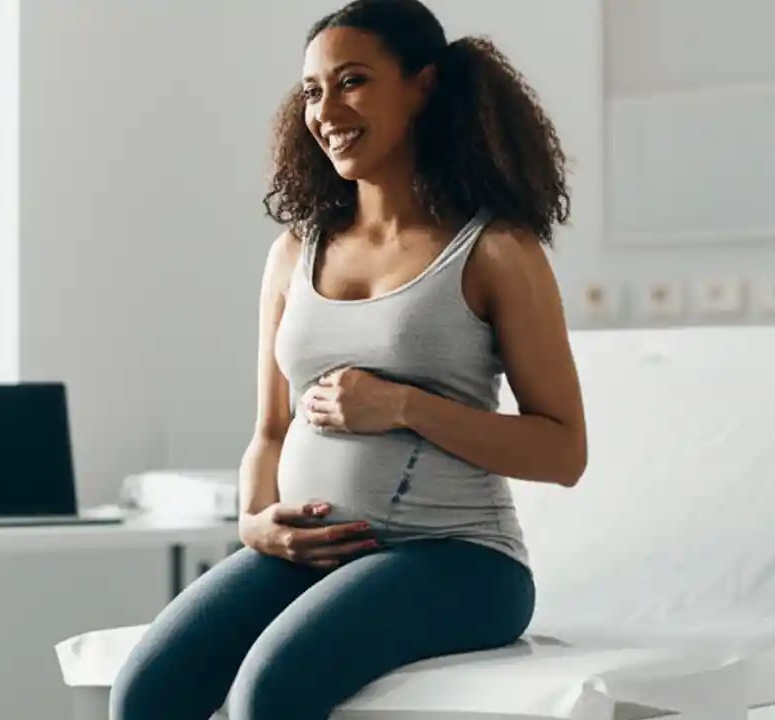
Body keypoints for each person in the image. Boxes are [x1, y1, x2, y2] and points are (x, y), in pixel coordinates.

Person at [110, 1, 586, 718]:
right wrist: (254, 521)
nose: (326, 111)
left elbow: (563, 451)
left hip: (460, 561)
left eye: (352, 81)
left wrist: (403, 406)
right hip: (309, 554)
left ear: (424, 85)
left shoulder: (496, 250)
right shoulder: (294, 252)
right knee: (147, 689)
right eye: (312, 90)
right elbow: (270, 430)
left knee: (270, 690)